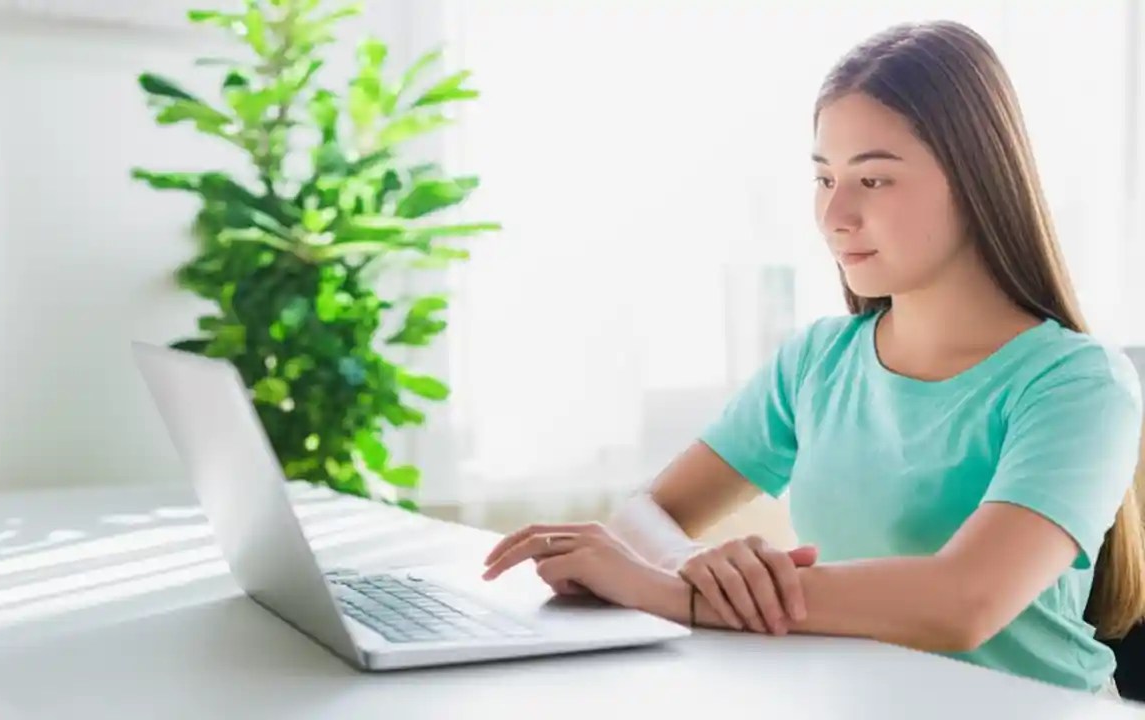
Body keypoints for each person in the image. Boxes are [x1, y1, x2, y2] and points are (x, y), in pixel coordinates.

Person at [480, 20, 1145, 698]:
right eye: (825, 178)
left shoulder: (1079, 385)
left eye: (874, 179)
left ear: (978, 181)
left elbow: (965, 601)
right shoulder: (818, 362)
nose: (835, 214)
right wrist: (697, 566)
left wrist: (672, 594)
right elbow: (646, 512)